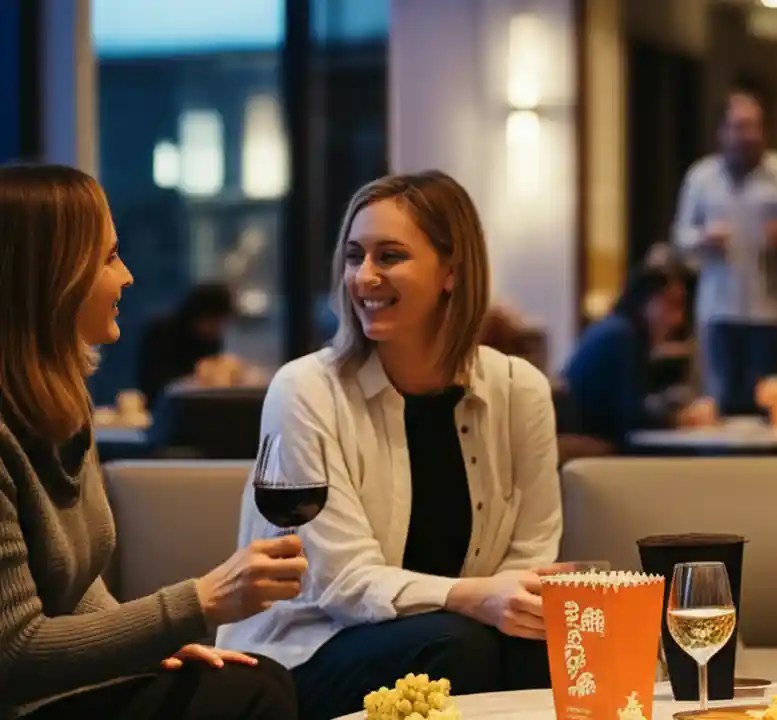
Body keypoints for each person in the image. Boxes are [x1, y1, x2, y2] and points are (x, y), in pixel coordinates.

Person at [217, 171, 563, 720]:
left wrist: (507, 606)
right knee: (456, 647)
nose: (364, 277)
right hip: (306, 649)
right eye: (356, 256)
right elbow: (344, 584)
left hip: (465, 636)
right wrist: (475, 598)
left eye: (390, 256)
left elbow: (530, 559)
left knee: (555, 648)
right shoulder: (306, 389)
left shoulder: (521, 391)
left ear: (452, 271)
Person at [0, 164, 305, 719]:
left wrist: (144, 647)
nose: (128, 277)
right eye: (110, 258)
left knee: (261, 678)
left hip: (56, 694)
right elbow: (12, 651)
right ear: (53, 276)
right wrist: (197, 604)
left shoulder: (64, 410)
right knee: (247, 696)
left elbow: (76, 588)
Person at [673, 88, 777, 415]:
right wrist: (702, 238)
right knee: (721, 404)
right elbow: (680, 238)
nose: (748, 135)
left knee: (774, 403)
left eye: (755, 126)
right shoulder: (701, 177)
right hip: (719, 310)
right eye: (739, 126)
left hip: (775, 312)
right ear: (722, 131)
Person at [562, 267, 711, 448]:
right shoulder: (620, 337)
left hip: (597, 433)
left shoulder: (617, 329)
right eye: (671, 304)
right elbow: (629, 417)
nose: (677, 319)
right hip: (598, 441)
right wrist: (679, 419)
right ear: (644, 301)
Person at [137, 282, 235, 403]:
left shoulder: (211, 338)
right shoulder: (163, 333)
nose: (218, 328)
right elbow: (155, 383)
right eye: (215, 321)